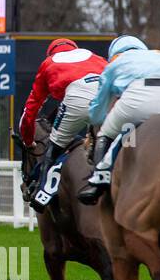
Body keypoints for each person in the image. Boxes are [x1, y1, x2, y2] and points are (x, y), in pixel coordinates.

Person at [77, 35, 160, 204]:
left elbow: (100, 103)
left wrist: (98, 119)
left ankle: (98, 181)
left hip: (137, 99)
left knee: (105, 133)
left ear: (114, 53)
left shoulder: (116, 62)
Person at [17, 38, 108, 201]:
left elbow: (30, 110)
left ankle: (41, 194)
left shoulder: (48, 63)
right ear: (75, 48)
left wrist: (29, 140)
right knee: (114, 142)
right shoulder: (95, 57)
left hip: (77, 97)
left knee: (54, 148)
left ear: (50, 53)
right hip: (107, 99)